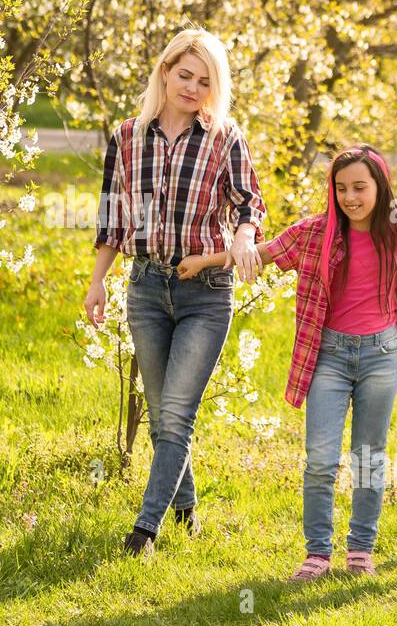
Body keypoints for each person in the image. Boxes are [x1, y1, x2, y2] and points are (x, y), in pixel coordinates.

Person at [178, 146, 397, 580]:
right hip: (330, 358)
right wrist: (204, 261)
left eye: (360, 187)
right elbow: (259, 254)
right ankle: (317, 553)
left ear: (380, 187)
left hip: (380, 355)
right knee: (320, 457)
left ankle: (360, 550)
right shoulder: (313, 233)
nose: (351, 197)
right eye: (341, 188)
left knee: (369, 456)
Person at [84, 28, 267, 559]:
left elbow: (248, 204)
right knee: (163, 413)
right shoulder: (126, 137)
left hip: (204, 293)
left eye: (205, 81)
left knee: (178, 413)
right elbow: (112, 216)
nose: (192, 88)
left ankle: (144, 530)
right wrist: (98, 280)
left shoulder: (224, 136)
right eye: (185, 75)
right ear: (165, 72)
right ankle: (186, 510)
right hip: (144, 287)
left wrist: (242, 234)